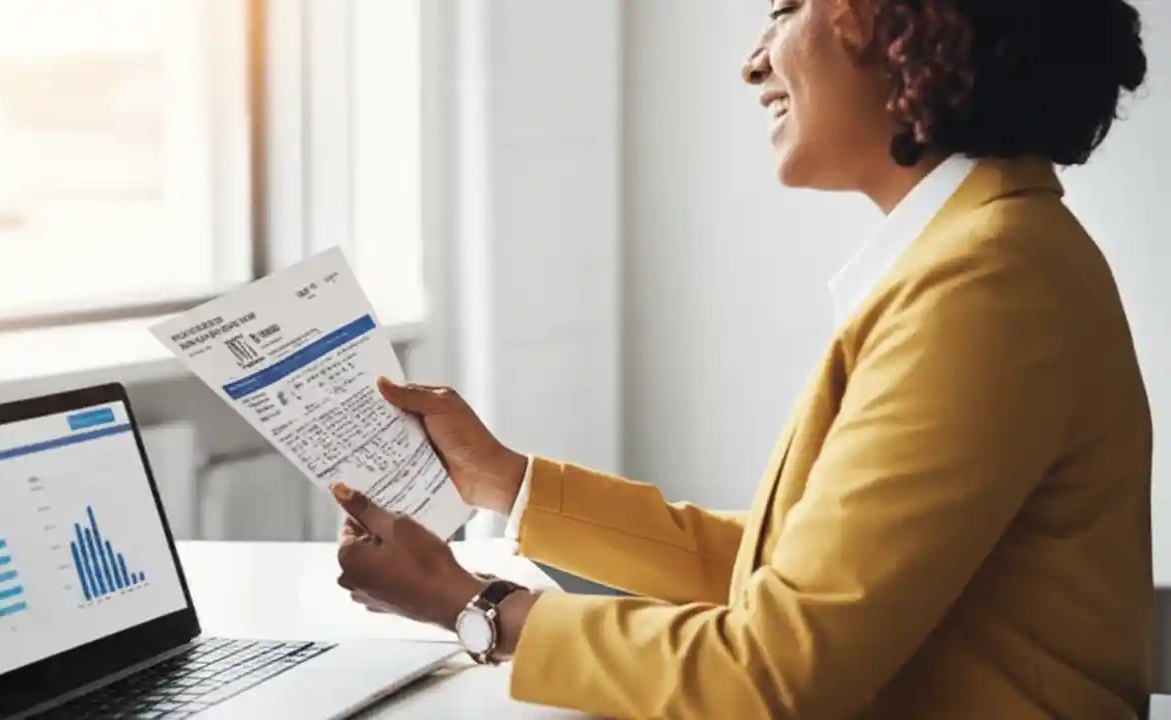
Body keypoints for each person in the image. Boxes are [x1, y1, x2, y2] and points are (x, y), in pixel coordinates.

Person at [330, 0, 1153, 717]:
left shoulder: (986, 283)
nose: (753, 59)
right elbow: (789, 577)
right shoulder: (985, 254)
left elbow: (776, 671)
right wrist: (507, 482)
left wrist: (470, 605)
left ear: (902, 22)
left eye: (785, 6)